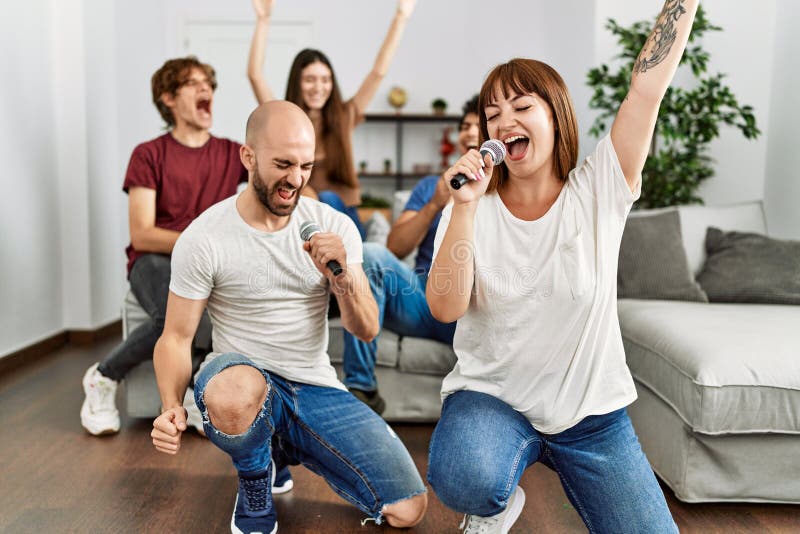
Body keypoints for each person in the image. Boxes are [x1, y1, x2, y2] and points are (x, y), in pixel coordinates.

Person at [426, 2, 698, 532]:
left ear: (556, 116)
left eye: (521, 105)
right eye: (493, 112)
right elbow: (444, 308)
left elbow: (646, 90)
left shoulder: (600, 189)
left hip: (591, 417)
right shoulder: (469, 210)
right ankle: (493, 506)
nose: (503, 120)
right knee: (464, 475)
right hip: (491, 402)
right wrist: (463, 208)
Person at [150, 101, 428, 534]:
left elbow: (366, 329)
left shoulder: (333, 227)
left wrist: (342, 278)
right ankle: (255, 479)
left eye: (305, 166)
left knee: (407, 509)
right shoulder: (205, 236)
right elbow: (175, 337)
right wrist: (170, 406)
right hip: (243, 380)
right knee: (235, 392)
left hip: (312, 385)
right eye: (283, 164)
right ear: (248, 157)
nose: (296, 179)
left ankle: (279, 447)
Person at [80, 56, 247, 437]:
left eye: (209, 83)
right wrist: (200, 244)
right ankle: (103, 376)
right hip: (153, 260)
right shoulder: (149, 154)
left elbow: (273, 176)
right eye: (193, 83)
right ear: (168, 98)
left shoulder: (231, 153)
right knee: (171, 317)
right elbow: (142, 233)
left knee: (225, 314)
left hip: (206, 264)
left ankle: (191, 392)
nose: (205, 88)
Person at [341, 96, 480, 414]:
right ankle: (362, 389)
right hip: (419, 298)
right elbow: (395, 248)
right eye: (465, 126)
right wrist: (435, 203)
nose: (470, 132)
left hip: (469, 309)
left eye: (478, 126)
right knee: (371, 254)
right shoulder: (432, 186)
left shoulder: (506, 190)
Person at [247, 0, 417, 239]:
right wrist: (263, 20)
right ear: (297, 82)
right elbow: (255, 75)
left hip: (344, 220)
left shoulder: (344, 115)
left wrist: (401, 16)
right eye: (310, 80)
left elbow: (378, 72)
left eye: (325, 80)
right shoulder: (283, 119)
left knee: (325, 198)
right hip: (303, 218)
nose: (319, 87)